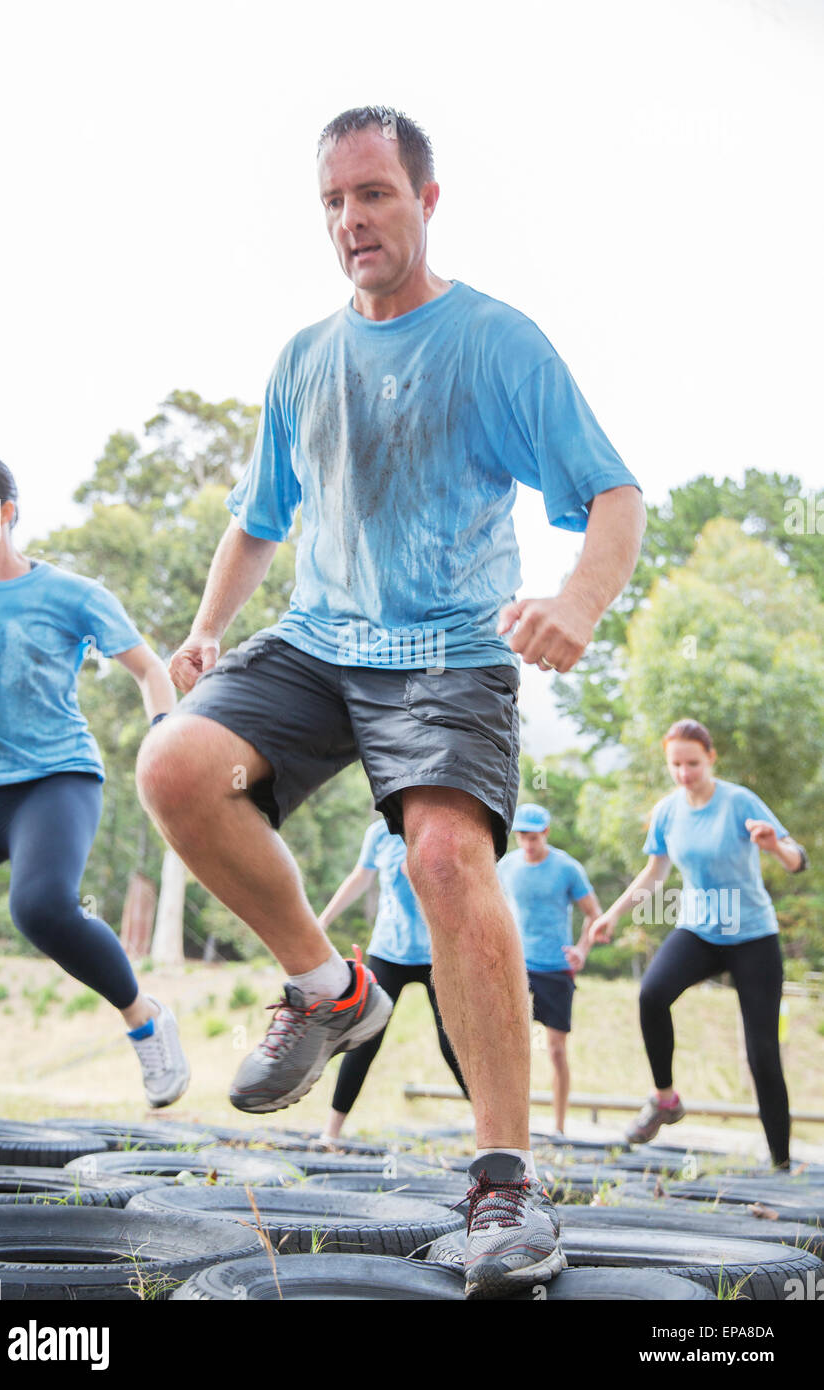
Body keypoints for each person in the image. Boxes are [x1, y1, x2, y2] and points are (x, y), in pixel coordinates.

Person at [135, 105, 645, 1297]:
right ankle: (330, 987)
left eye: (373, 193)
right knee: (170, 764)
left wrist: (575, 597)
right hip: (318, 639)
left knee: (444, 858)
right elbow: (259, 518)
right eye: (332, 201)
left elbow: (613, 495)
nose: (352, 219)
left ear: (425, 198)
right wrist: (210, 626)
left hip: (447, 650)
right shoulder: (303, 358)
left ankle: (506, 1190)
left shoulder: (492, 342)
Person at [0, 456, 190, 1107]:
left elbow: (149, 671)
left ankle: (145, 1018)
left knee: (38, 906)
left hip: (54, 781)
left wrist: (163, 731)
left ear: (5, 512)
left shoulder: (72, 594)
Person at [588, 718, 807, 1168]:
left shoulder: (738, 801)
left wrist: (774, 846)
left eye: (693, 763)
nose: (685, 773)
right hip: (700, 931)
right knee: (651, 994)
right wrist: (609, 916)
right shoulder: (668, 810)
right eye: (676, 764)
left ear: (710, 758)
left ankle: (781, 1162)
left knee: (761, 1051)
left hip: (752, 935)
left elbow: (797, 859)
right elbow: (655, 873)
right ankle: (665, 1100)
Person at [318, 817, 469, 1144]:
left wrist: (422, 879)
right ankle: (331, 1133)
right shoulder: (378, 833)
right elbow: (361, 877)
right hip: (389, 950)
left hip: (438, 951)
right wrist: (323, 920)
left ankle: (496, 1135)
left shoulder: (441, 829)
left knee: (454, 1043)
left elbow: (463, 890)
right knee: (365, 1038)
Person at [498, 803, 601, 1136]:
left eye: (534, 837)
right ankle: (513, 1127)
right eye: (522, 837)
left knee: (555, 1050)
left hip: (555, 968)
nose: (528, 844)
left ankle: (558, 1128)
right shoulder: (506, 867)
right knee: (509, 1046)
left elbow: (593, 914)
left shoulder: (567, 869)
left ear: (546, 833)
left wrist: (582, 950)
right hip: (517, 964)